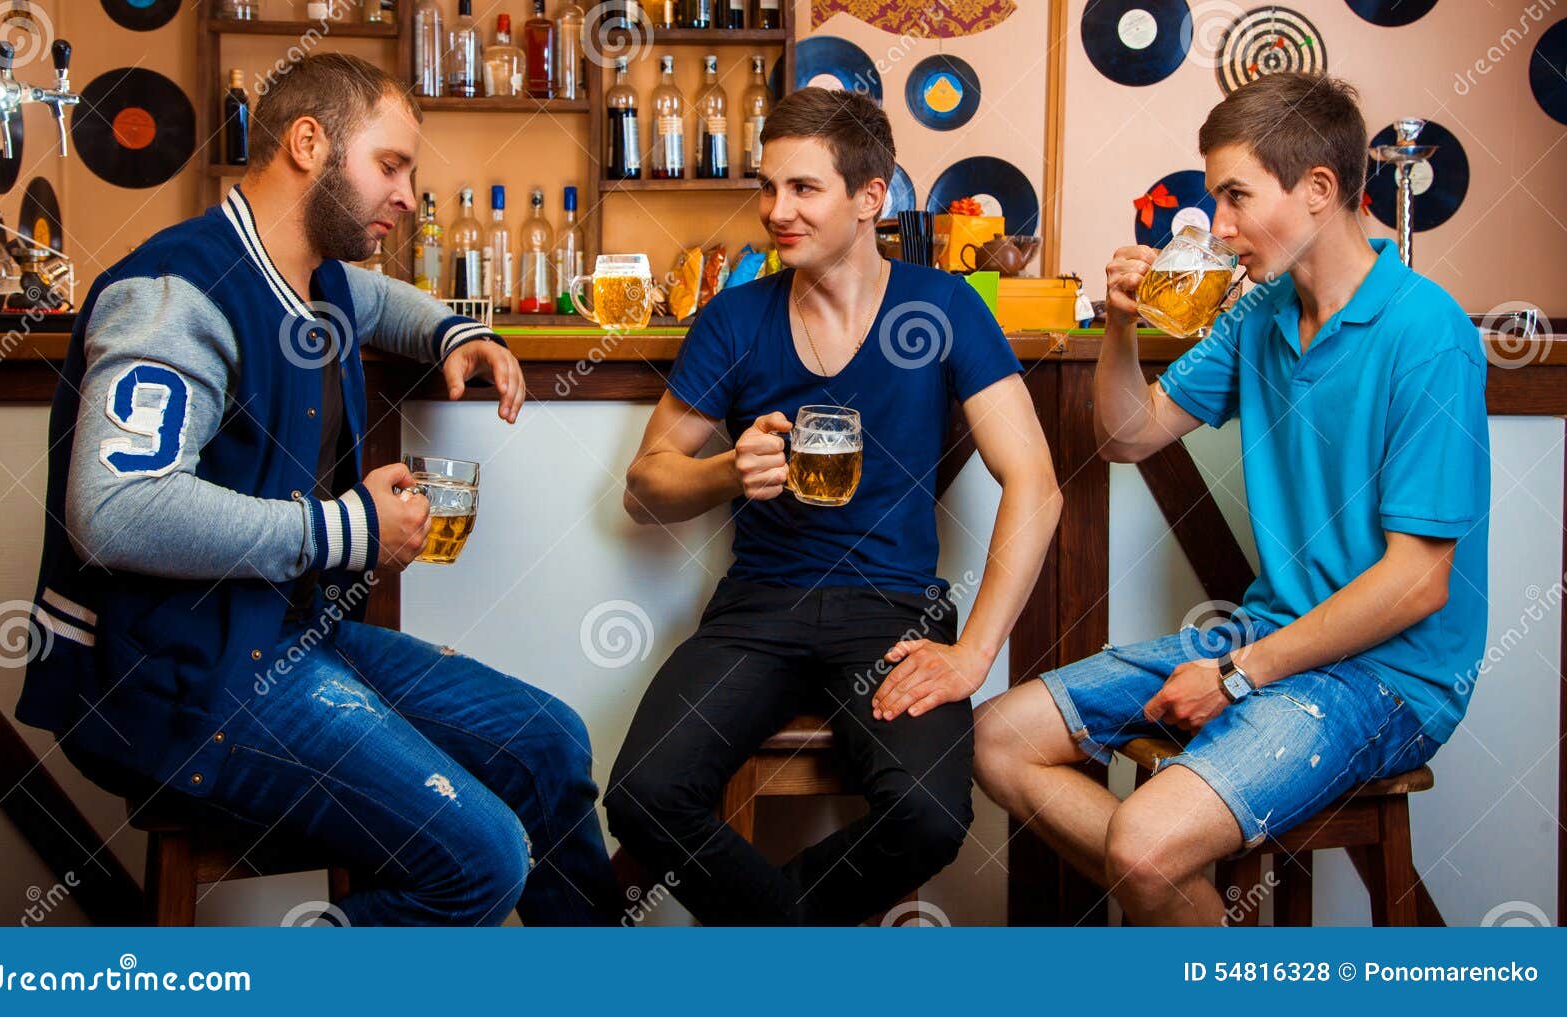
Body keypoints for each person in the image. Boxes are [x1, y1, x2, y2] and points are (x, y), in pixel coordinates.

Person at [15, 53, 617, 926]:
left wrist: (457, 332)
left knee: (547, 742)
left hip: (285, 635)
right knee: (484, 861)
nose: (409, 194)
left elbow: (376, 303)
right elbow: (113, 512)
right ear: (309, 144)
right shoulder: (173, 294)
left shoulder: (315, 272)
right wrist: (348, 530)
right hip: (179, 678)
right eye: (391, 164)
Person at [974, 72, 1490, 925]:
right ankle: (1216, 941)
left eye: (1235, 196)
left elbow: (1418, 583)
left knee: (1145, 845)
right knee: (998, 739)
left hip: (1393, 673)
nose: (1217, 227)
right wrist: (1118, 325)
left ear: (1320, 189)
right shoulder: (1259, 316)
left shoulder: (1427, 333)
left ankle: (1172, 891)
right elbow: (1127, 434)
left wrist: (1236, 675)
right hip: (1264, 635)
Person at [605, 87, 1064, 925]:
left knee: (928, 816)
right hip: (760, 607)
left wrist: (972, 652)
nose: (776, 212)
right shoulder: (735, 318)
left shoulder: (943, 306)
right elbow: (644, 487)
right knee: (642, 793)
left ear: (869, 197)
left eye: (803, 189)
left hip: (891, 610)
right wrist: (725, 476)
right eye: (768, 186)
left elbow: (1036, 480)